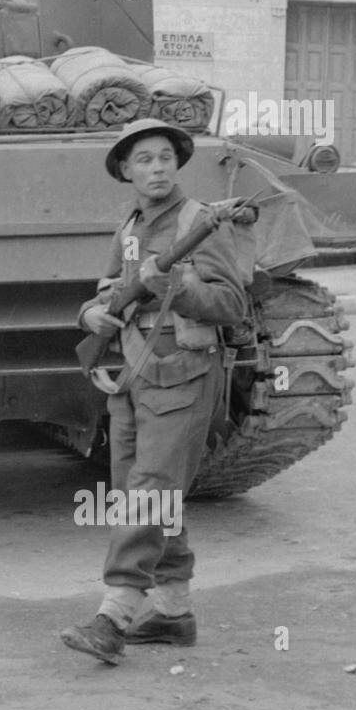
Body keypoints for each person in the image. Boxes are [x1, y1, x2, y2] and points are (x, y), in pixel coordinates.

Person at [61, 119, 248, 665]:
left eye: (165, 156)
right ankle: (170, 611)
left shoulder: (201, 223)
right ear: (125, 171)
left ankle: (114, 614)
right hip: (133, 375)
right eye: (143, 159)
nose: (157, 167)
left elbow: (232, 306)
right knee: (138, 493)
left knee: (150, 491)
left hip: (184, 374)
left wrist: (183, 289)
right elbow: (108, 293)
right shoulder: (130, 227)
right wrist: (91, 314)